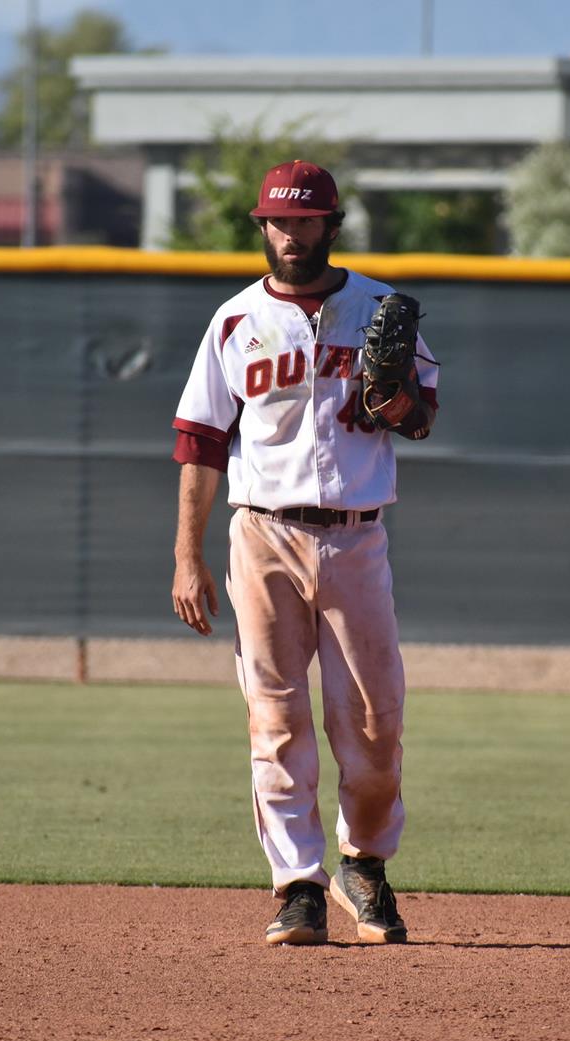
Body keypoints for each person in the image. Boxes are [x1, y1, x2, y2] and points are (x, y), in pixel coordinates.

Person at [169, 159, 439, 946]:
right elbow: (199, 443)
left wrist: (400, 404)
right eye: (278, 222)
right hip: (262, 533)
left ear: (330, 225)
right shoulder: (232, 323)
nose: (291, 234)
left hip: (355, 536)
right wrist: (187, 555)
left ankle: (365, 864)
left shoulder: (379, 309)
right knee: (276, 718)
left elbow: (423, 416)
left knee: (374, 724)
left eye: (305, 220)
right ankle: (297, 886)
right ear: (263, 228)